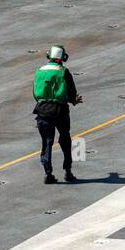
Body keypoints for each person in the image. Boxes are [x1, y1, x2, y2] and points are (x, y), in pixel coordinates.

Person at [32, 44, 82, 184]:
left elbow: (36, 93)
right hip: (60, 111)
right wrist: (74, 100)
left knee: (47, 142)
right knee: (65, 139)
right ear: (62, 58)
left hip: (42, 110)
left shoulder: (39, 71)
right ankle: (68, 172)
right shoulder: (63, 72)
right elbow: (72, 92)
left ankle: (48, 173)